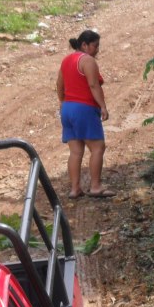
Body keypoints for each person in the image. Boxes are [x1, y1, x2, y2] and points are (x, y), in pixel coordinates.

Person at [56, 30, 114, 199]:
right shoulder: (87, 60)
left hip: (67, 108)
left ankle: (75, 189)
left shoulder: (66, 60)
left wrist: (63, 102)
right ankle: (95, 186)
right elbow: (94, 85)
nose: (97, 50)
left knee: (75, 152)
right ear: (84, 45)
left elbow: (59, 85)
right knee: (97, 148)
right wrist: (103, 106)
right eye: (95, 46)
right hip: (84, 108)